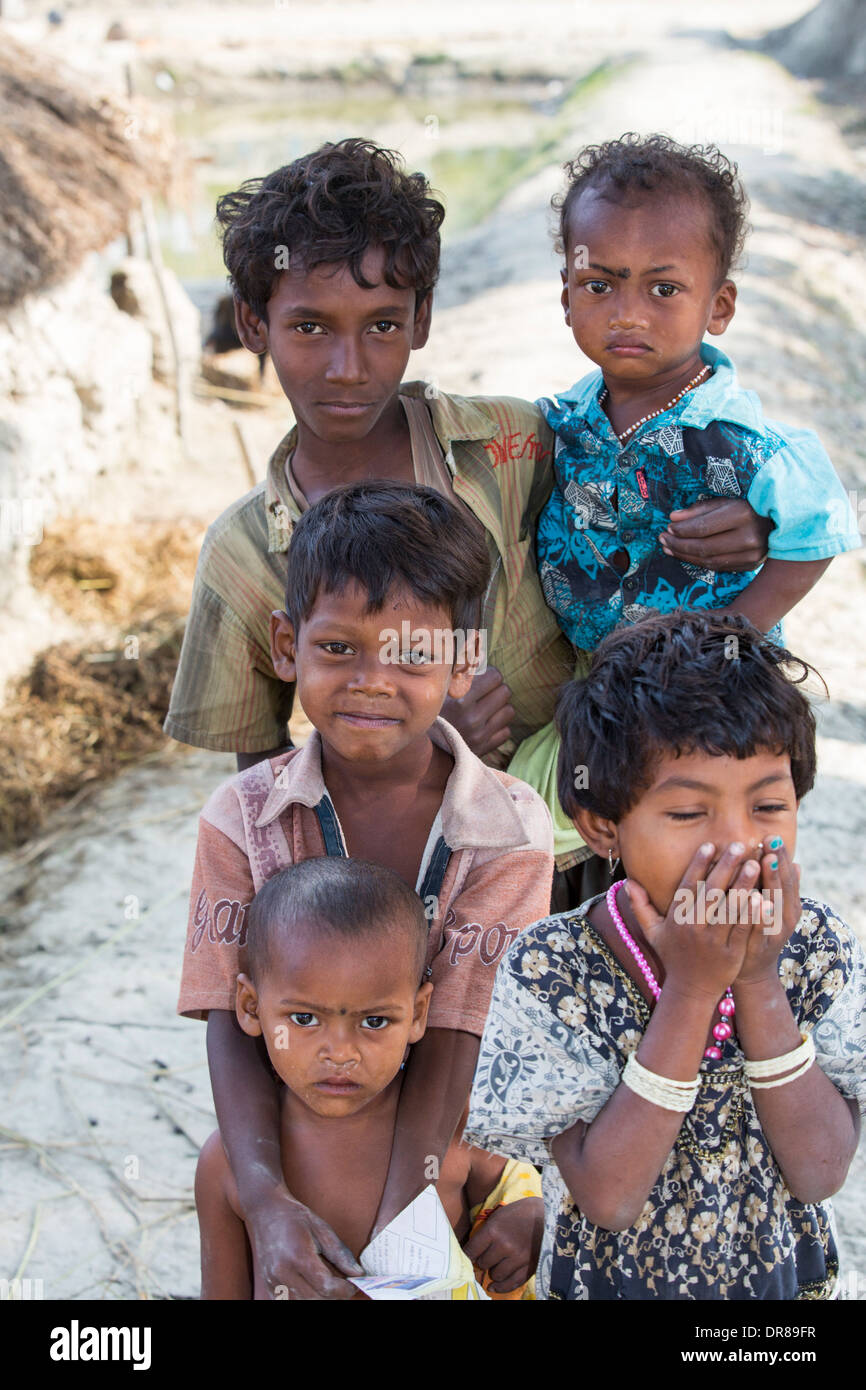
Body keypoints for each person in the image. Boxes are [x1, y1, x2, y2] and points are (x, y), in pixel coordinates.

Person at [163, 136, 771, 795]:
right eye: (310, 328)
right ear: (253, 326)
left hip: (593, 814)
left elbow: (646, 504)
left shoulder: (513, 445)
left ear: (422, 320)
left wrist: (751, 519)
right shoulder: (241, 555)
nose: (348, 367)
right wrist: (419, 752)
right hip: (427, 869)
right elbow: (260, 779)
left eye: (382, 326)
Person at [179, 482, 555, 1299]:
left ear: (464, 661)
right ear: (287, 646)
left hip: (443, 1154)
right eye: (339, 648)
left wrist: (408, 1218)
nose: (373, 682)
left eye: (414, 654)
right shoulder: (243, 817)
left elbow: (458, 1027)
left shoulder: (511, 825)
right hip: (302, 1127)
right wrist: (264, 1196)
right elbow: (227, 1016)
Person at [467, 612, 866, 1300]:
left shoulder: (816, 952)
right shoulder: (556, 971)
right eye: (688, 815)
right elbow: (609, 1198)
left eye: (769, 806)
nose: (736, 844)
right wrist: (693, 989)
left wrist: (758, 982)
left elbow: (820, 1172)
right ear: (602, 826)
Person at [510, 133, 861, 892]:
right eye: (599, 285)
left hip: (706, 693)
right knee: (548, 829)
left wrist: (734, 629)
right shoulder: (566, 417)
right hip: (601, 685)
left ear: (720, 304)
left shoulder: (730, 435)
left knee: (700, 858)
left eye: (663, 290)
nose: (627, 313)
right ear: (565, 295)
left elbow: (819, 525)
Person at [195, 857, 544, 1300]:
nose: (341, 1053)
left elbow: (526, 1195)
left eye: (375, 1022)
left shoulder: (458, 1127)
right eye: (304, 1018)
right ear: (250, 1007)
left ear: (418, 1014)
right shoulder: (228, 1163)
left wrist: (532, 1219)